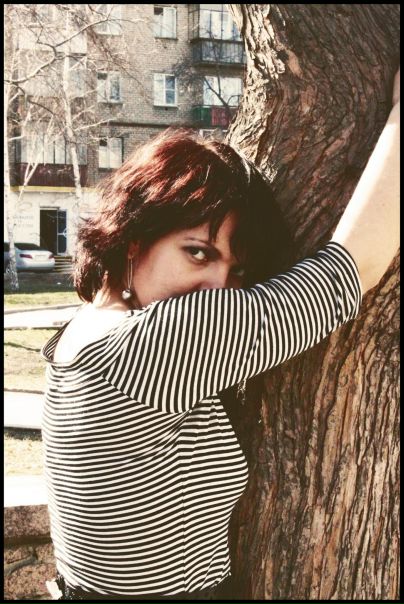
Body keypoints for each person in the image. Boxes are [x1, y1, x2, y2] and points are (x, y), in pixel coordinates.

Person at [42, 69, 399, 600]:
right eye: (198, 252)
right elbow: (349, 272)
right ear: (135, 238)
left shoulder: (81, 331)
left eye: (235, 271)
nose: (217, 287)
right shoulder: (157, 339)